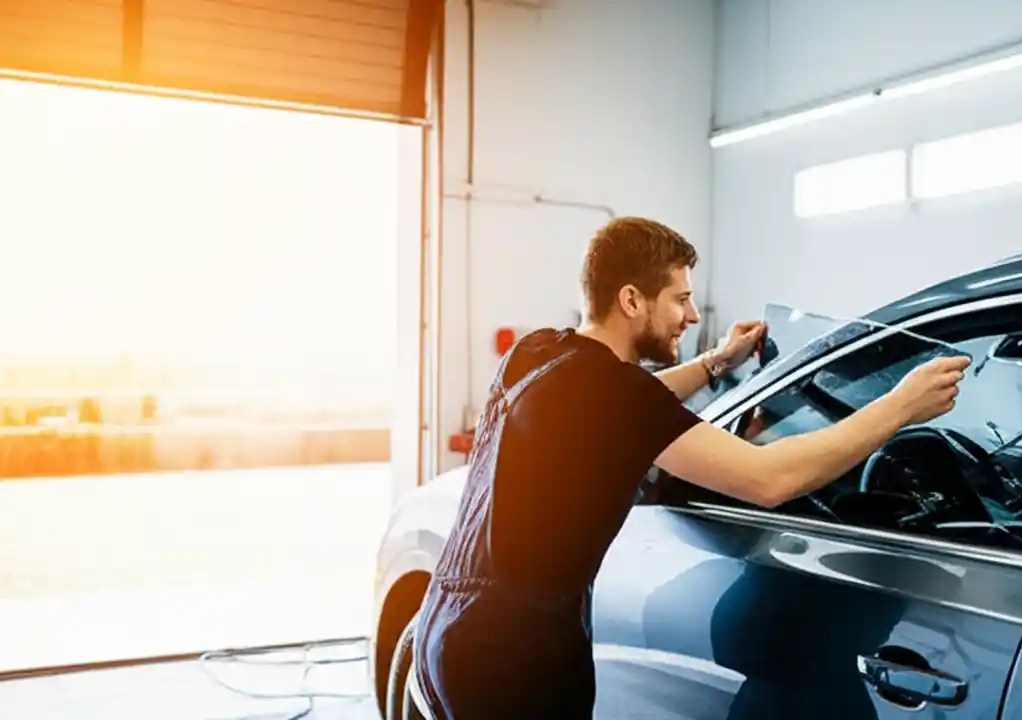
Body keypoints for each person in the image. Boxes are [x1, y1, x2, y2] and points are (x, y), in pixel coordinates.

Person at [409, 217, 969, 719]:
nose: (693, 314)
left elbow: (636, 401)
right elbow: (769, 479)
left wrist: (715, 363)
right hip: (516, 656)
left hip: (448, 629)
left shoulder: (539, 352)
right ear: (632, 299)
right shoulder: (615, 394)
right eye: (680, 299)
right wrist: (901, 405)